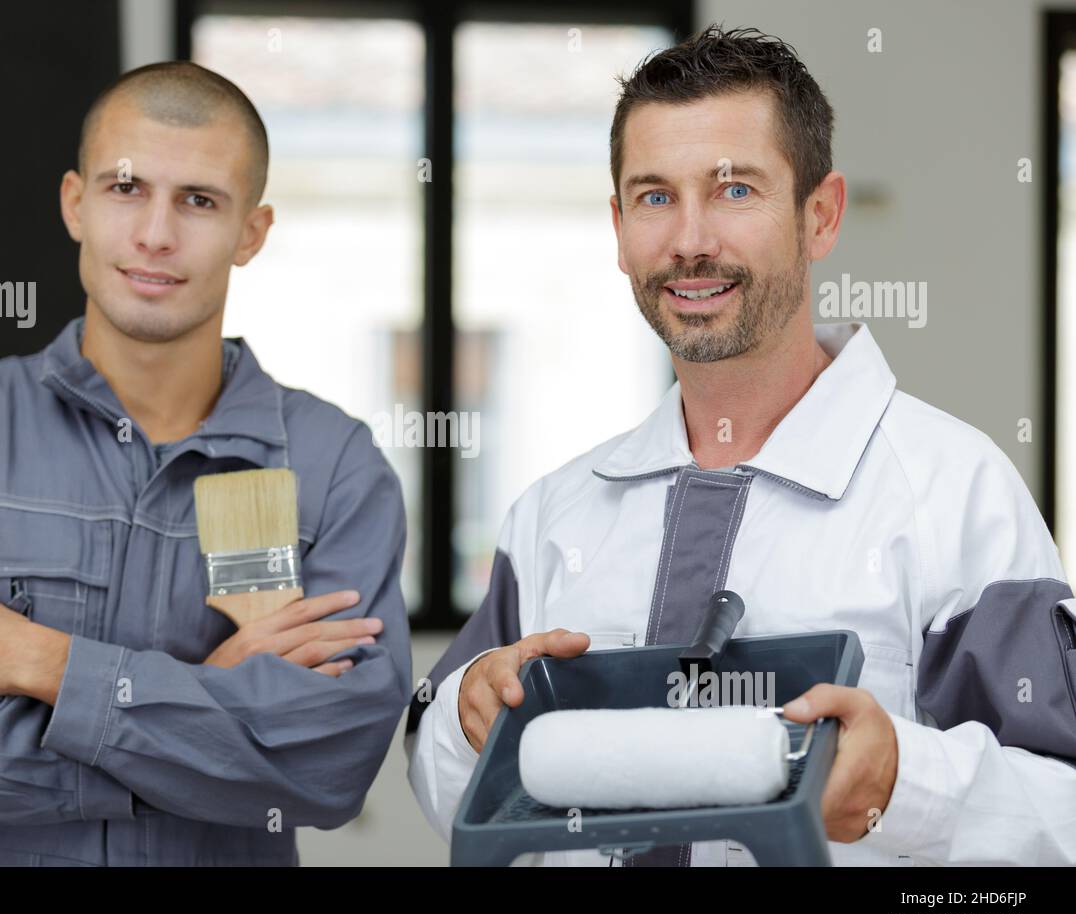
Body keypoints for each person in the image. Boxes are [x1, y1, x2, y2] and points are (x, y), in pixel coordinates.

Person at [406, 25, 1076, 866]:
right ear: (618, 228)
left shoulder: (955, 493)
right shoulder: (556, 514)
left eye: (733, 191)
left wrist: (903, 784)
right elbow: (442, 772)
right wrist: (468, 723)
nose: (690, 240)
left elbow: (1064, 804)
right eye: (655, 197)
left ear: (820, 215)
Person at [0, 61, 411, 866]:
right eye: (127, 189)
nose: (156, 234)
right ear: (75, 204)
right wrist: (201, 721)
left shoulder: (334, 466)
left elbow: (328, 767)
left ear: (251, 233)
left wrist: (41, 662)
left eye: (198, 200)